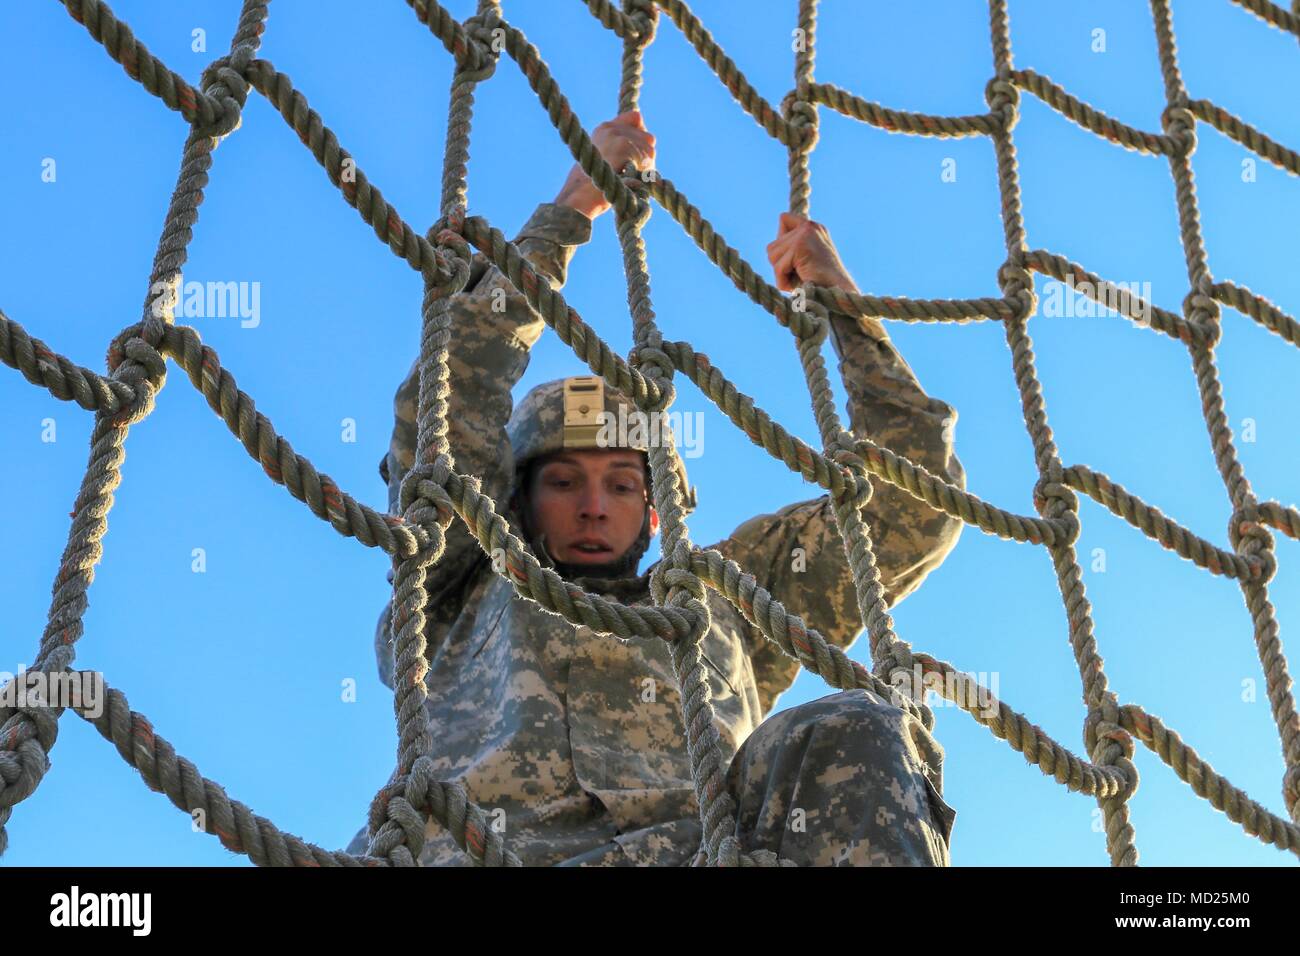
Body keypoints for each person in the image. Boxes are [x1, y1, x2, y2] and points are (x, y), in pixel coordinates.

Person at [347, 111, 966, 866]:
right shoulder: (456, 586)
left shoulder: (724, 602)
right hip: (481, 852)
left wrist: (846, 313)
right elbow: (448, 408)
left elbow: (913, 507)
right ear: (516, 497)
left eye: (621, 483)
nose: (595, 504)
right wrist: (566, 215)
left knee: (859, 722)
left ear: (657, 504)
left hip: (701, 853)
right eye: (565, 480)